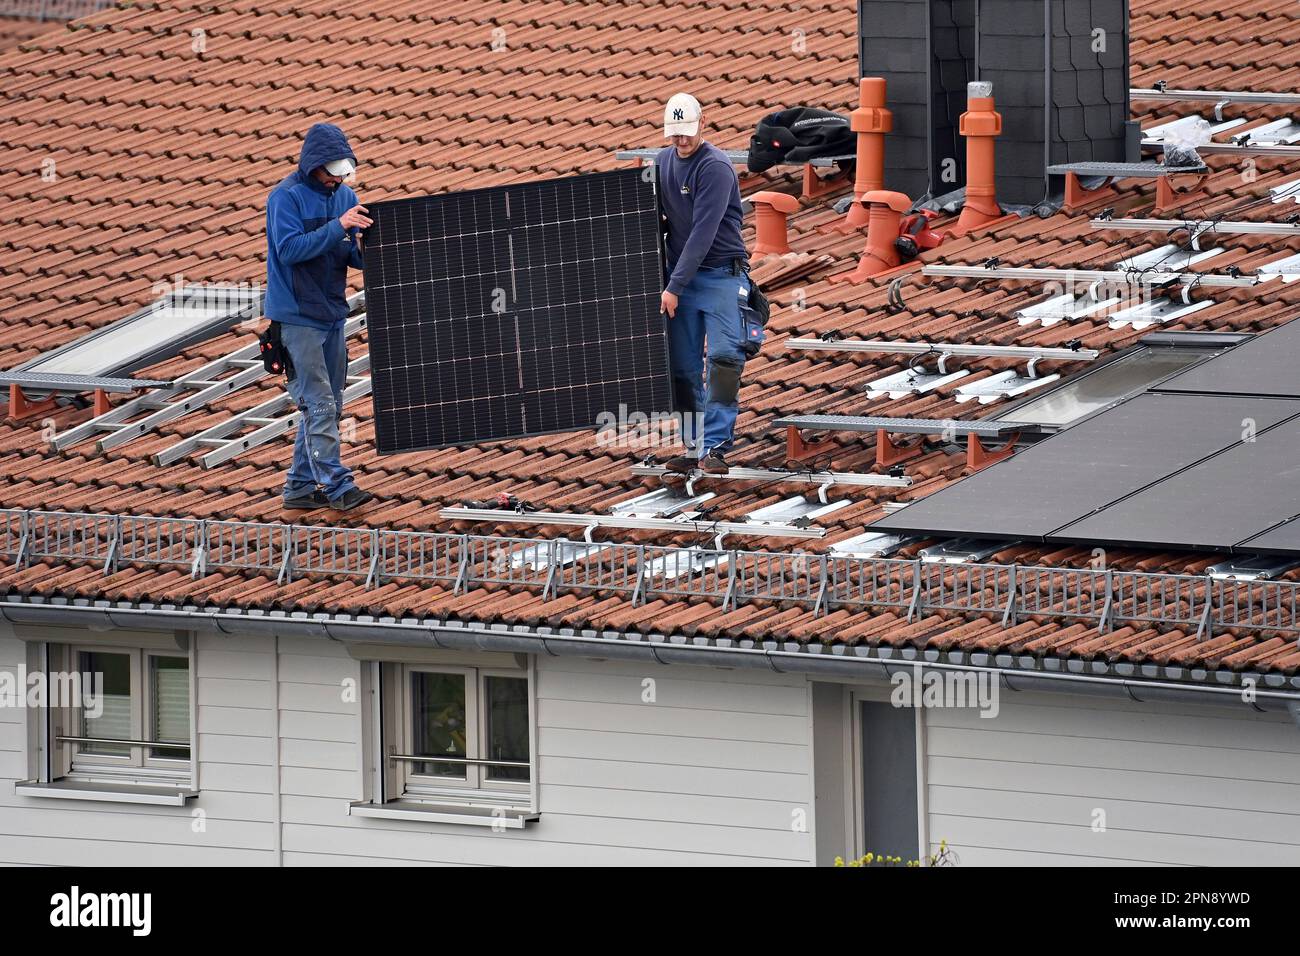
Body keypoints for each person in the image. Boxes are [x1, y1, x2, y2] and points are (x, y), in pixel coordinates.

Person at [264, 123, 373, 511]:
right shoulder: (286, 199)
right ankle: (337, 485)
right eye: (331, 173)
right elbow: (290, 250)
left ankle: (298, 486)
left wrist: (366, 247)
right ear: (314, 166)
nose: (336, 181)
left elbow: (348, 255)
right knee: (320, 403)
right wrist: (339, 227)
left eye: (343, 173)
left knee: (328, 404)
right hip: (296, 316)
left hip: (331, 313)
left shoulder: (345, 195)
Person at [655, 93, 751, 476]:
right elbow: (659, 221)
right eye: (675, 135)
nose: (682, 141)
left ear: (703, 123)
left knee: (725, 361)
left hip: (720, 276)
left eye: (688, 133)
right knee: (682, 367)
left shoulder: (715, 167)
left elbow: (703, 232)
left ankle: (716, 447)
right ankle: (694, 445)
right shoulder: (662, 163)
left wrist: (673, 286)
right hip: (681, 280)